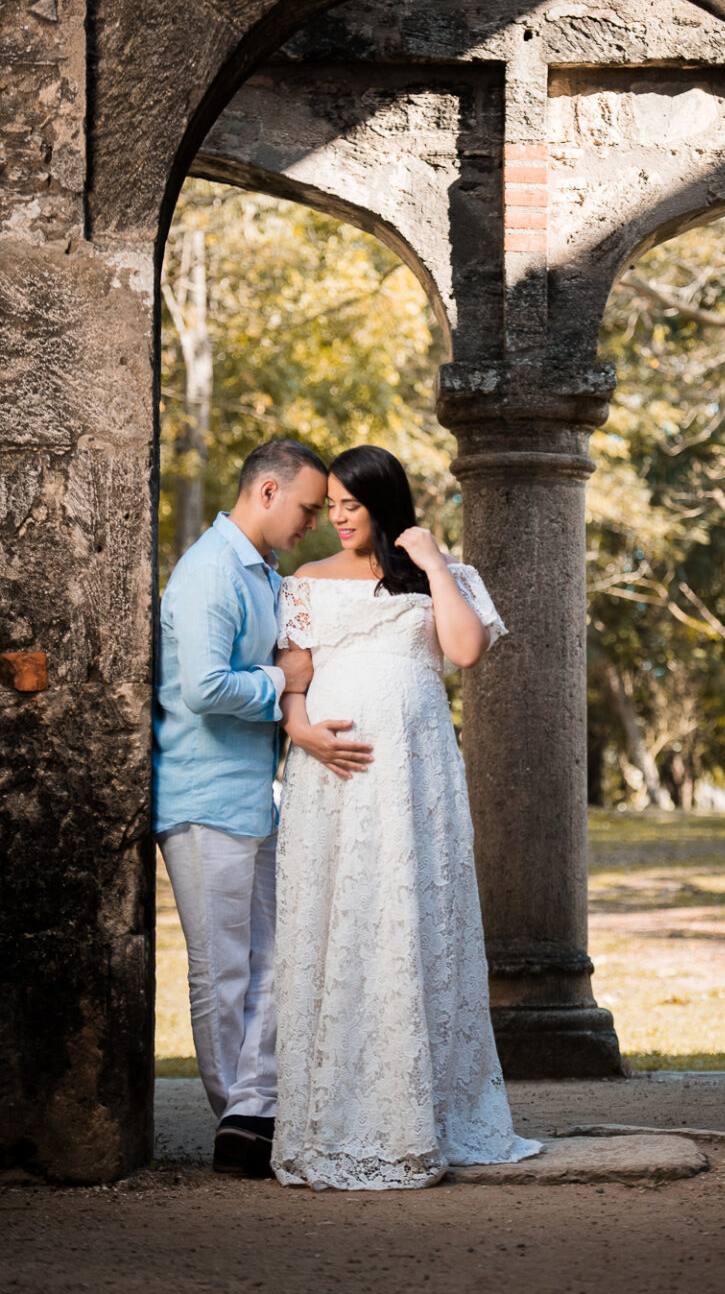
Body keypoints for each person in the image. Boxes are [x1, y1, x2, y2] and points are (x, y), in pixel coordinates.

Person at [271, 444, 542, 1190]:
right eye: (330, 506)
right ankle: (333, 1118)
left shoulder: (441, 579)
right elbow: (295, 674)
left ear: (386, 507)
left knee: (412, 918)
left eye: (352, 506)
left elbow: (464, 651)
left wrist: (432, 561)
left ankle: (420, 1112)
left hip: (415, 776)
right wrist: (300, 726)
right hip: (332, 774)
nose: (339, 519)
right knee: (341, 919)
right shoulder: (304, 583)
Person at [153, 439, 373, 1178]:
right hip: (201, 797)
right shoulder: (208, 574)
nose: (315, 521)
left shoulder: (262, 572)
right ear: (269, 493)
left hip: (254, 797)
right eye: (310, 506)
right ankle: (236, 1119)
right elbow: (204, 688)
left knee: (277, 957)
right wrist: (281, 684)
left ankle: (258, 1106)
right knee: (221, 970)